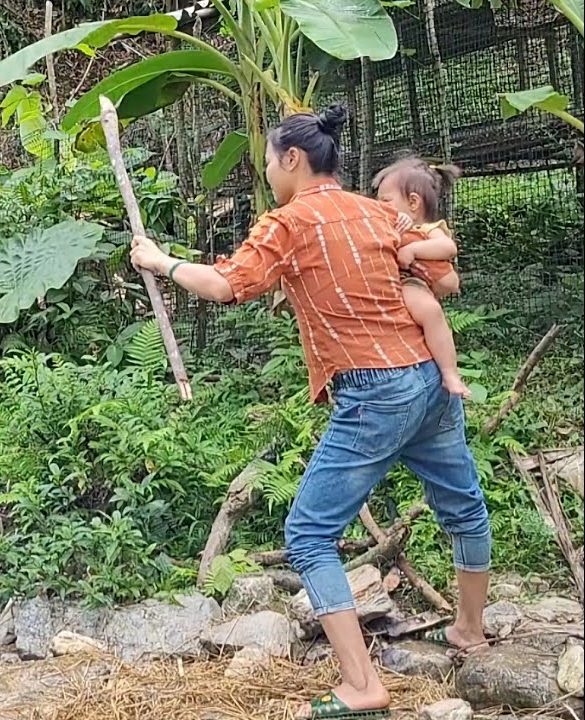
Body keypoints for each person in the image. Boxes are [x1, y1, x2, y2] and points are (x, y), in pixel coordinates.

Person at [130, 106, 491, 720]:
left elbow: (226, 285)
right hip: (429, 381)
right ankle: (470, 632)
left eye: (269, 161)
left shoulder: (287, 222)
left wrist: (161, 263)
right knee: (462, 506)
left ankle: (361, 685)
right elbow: (445, 276)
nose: (269, 171)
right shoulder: (378, 212)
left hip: (374, 392)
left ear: (291, 159)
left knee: (308, 534)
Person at [373, 157, 470, 398]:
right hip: (393, 284)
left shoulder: (429, 229)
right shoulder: (389, 224)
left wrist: (413, 250)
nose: (379, 206)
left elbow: (448, 248)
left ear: (413, 203)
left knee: (430, 312)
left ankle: (450, 373)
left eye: (385, 201)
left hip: (413, 283)